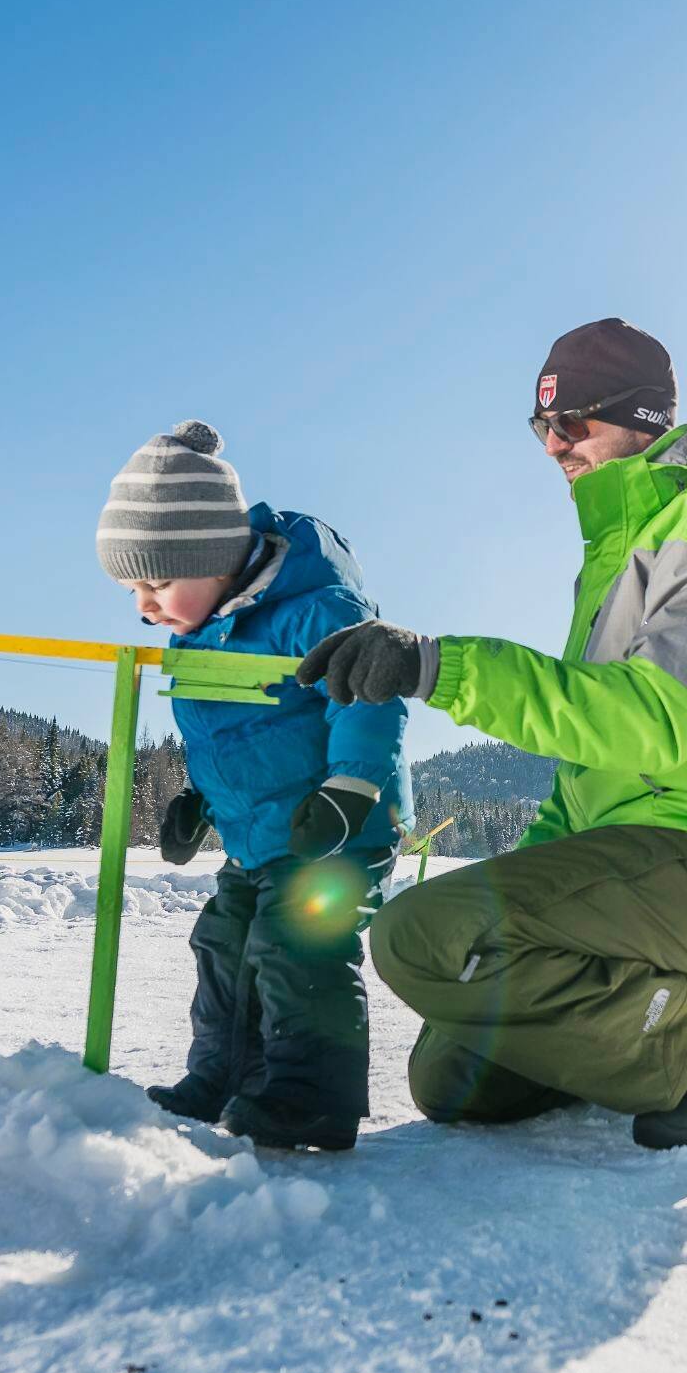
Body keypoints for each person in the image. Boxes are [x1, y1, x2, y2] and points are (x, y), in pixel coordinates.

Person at [296, 319, 687, 1149]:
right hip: (627, 865)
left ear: (641, 416)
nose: (553, 447)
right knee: (450, 1079)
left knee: (420, 939)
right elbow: (587, 772)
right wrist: (522, 869)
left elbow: (650, 722)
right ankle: (662, 1009)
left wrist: (441, 668)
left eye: (571, 423)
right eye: (542, 427)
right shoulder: (617, 549)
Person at [96, 419, 410, 1152]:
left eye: (156, 581)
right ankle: (223, 1077)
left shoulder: (317, 610)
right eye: (132, 588)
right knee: (224, 944)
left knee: (296, 943)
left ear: (212, 556)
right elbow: (232, 736)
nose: (145, 605)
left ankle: (311, 1097)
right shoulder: (195, 631)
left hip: (338, 824)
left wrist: (350, 792)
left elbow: (370, 702)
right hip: (259, 833)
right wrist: (199, 801)